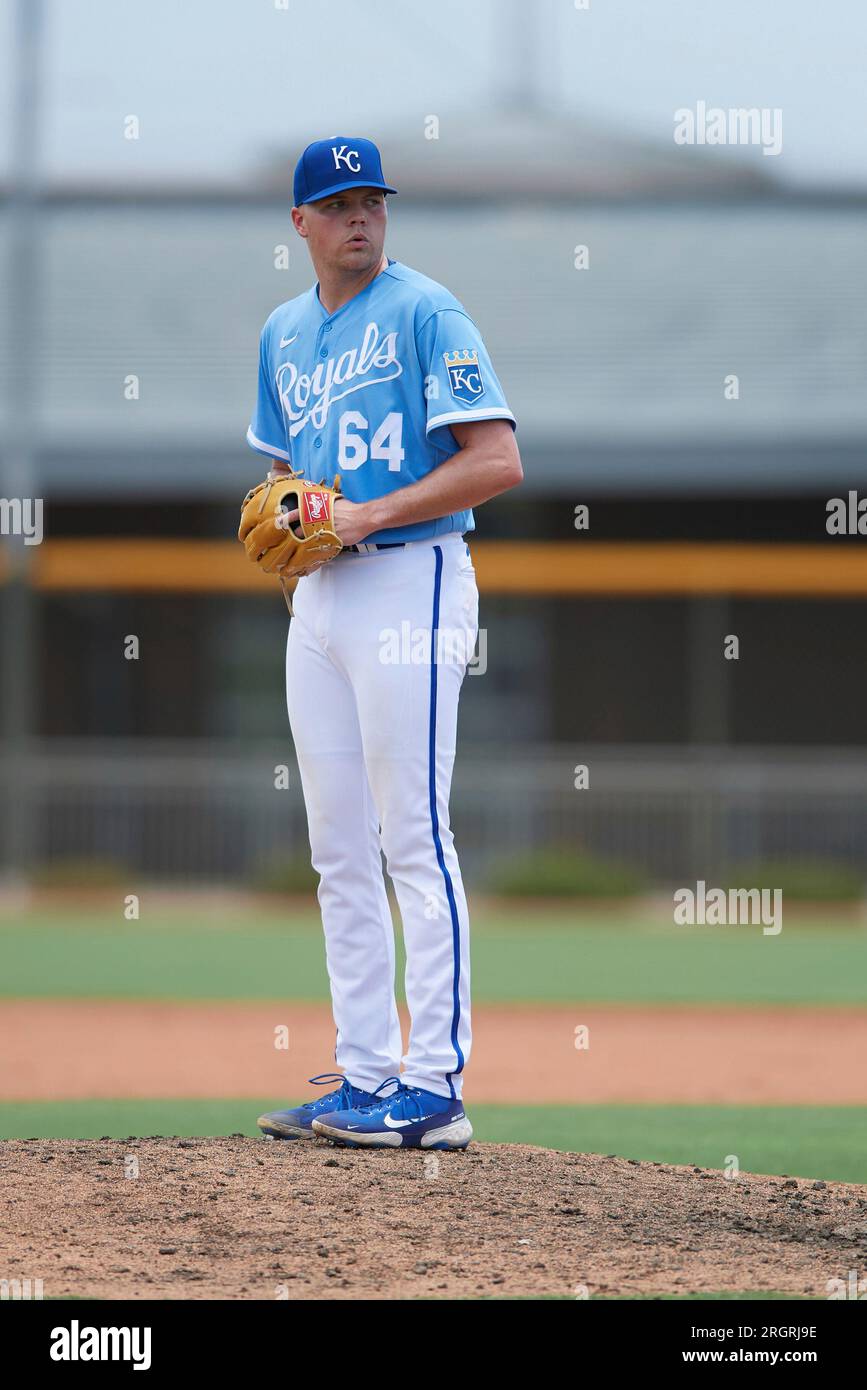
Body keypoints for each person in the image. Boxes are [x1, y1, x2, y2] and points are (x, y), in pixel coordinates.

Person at [250, 136, 522, 1149]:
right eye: (338, 201)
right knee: (336, 849)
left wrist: (368, 516)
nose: (360, 215)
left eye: (372, 199)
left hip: (415, 572)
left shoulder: (424, 309)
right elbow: (283, 471)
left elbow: (497, 459)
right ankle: (364, 1075)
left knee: (413, 832)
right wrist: (292, 521)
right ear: (302, 225)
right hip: (318, 599)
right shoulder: (283, 331)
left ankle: (435, 1087)